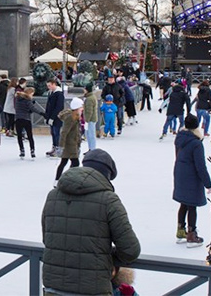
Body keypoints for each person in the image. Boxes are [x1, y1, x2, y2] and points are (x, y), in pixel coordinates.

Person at [42, 149, 141, 295]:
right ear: (107, 176)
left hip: (53, 289)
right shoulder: (108, 200)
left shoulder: (53, 196)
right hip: (92, 290)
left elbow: (48, 238)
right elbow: (130, 250)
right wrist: (104, 255)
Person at [173, 114, 211, 247]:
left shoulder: (180, 138)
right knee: (192, 205)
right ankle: (191, 234)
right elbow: (200, 166)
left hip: (180, 173)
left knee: (184, 203)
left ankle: (180, 231)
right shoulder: (196, 143)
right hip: (191, 176)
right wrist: (208, 184)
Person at [54, 98, 83, 186]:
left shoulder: (75, 116)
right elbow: (64, 132)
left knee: (64, 162)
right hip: (69, 145)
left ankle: (59, 180)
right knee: (75, 163)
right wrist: (61, 146)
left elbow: (76, 132)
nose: (82, 108)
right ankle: (67, 179)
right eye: (81, 107)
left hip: (72, 143)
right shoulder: (71, 117)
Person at [14, 86, 43, 158]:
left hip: (18, 119)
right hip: (26, 119)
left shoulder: (18, 99)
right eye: (32, 94)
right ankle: (32, 151)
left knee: (19, 136)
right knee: (30, 136)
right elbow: (33, 108)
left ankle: (22, 150)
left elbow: (19, 108)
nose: (32, 95)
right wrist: (41, 113)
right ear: (29, 93)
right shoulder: (28, 100)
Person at [44, 79, 65, 157]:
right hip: (51, 117)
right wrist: (47, 116)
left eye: (49, 85)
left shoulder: (59, 94)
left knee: (56, 133)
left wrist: (52, 117)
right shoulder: (51, 92)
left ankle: (58, 149)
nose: (48, 87)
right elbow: (48, 106)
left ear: (54, 84)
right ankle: (54, 147)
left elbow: (59, 107)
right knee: (53, 132)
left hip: (57, 117)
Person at [83, 84, 98, 152]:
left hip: (90, 119)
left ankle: (92, 149)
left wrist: (86, 120)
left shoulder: (89, 99)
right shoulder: (90, 97)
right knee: (89, 135)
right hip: (91, 119)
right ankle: (91, 148)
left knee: (91, 135)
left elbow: (89, 111)